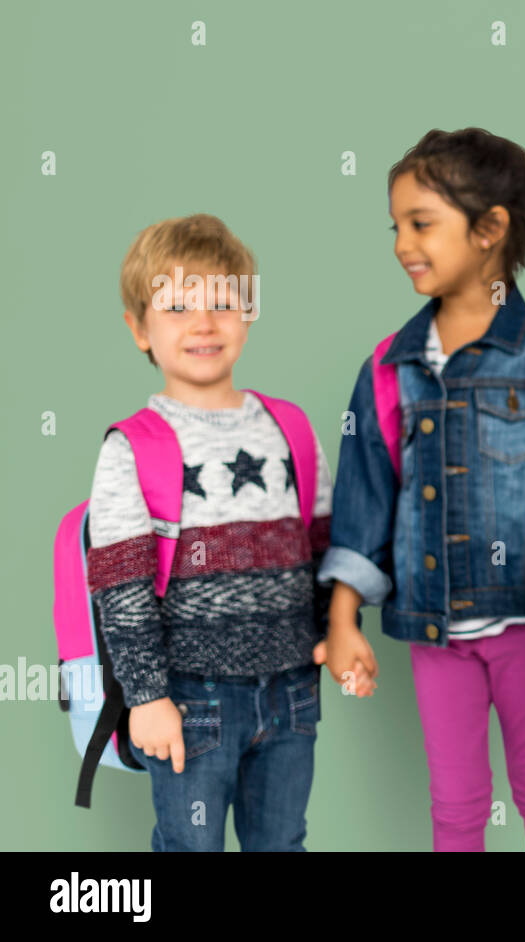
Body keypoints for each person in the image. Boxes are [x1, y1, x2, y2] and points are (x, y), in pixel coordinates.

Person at [319, 128, 525, 852]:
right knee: (456, 805)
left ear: (491, 229)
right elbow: (365, 499)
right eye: (395, 226)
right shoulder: (387, 367)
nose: (402, 243)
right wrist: (341, 621)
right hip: (432, 624)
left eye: (421, 223)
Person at [88, 214, 333, 851]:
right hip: (189, 702)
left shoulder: (291, 430)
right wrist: (145, 697)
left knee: (283, 844)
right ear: (139, 328)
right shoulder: (132, 448)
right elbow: (122, 588)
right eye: (177, 306)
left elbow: (320, 548)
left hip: (292, 697)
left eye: (224, 302)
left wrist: (338, 630)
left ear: (248, 314)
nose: (204, 322)